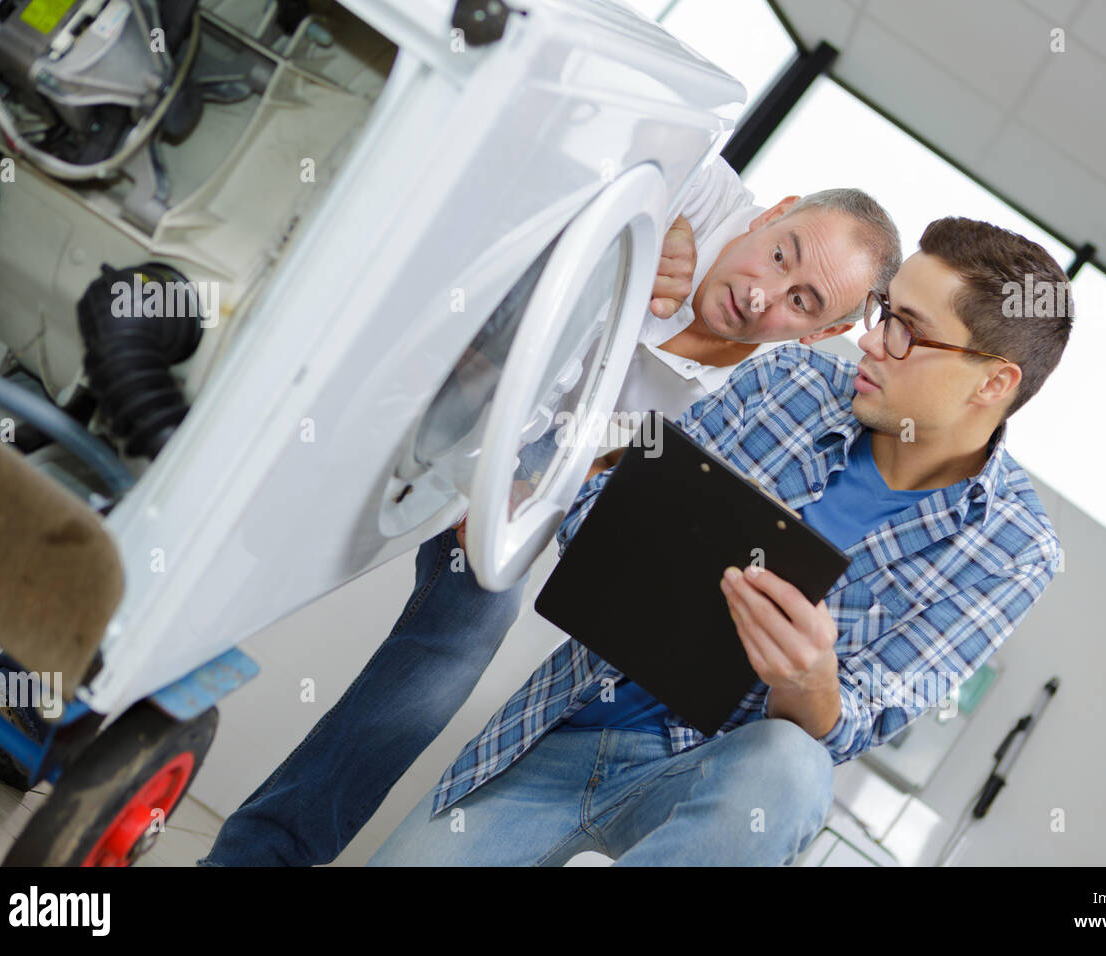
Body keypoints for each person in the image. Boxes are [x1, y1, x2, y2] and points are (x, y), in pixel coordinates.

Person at [199, 158, 903, 865]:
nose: (762, 294)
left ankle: (262, 857)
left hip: (530, 472)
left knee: (471, 623)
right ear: (772, 212)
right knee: (246, 546)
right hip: (444, 356)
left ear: (815, 336)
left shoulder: (756, 395)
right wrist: (654, 218)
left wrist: (527, 483)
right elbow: (577, 135)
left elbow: (617, 487)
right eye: (781, 254)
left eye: (802, 303)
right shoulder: (697, 182)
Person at [367, 216, 1071, 866]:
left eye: (906, 331)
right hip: (565, 722)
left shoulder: (1013, 549)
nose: (868, 338)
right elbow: (589, 520)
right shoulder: (787, 380)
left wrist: (809, 680)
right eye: (885, 312)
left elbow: (855, 723)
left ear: (993, 382)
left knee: (793, 767)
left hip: (718, 785)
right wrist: (628, 518)